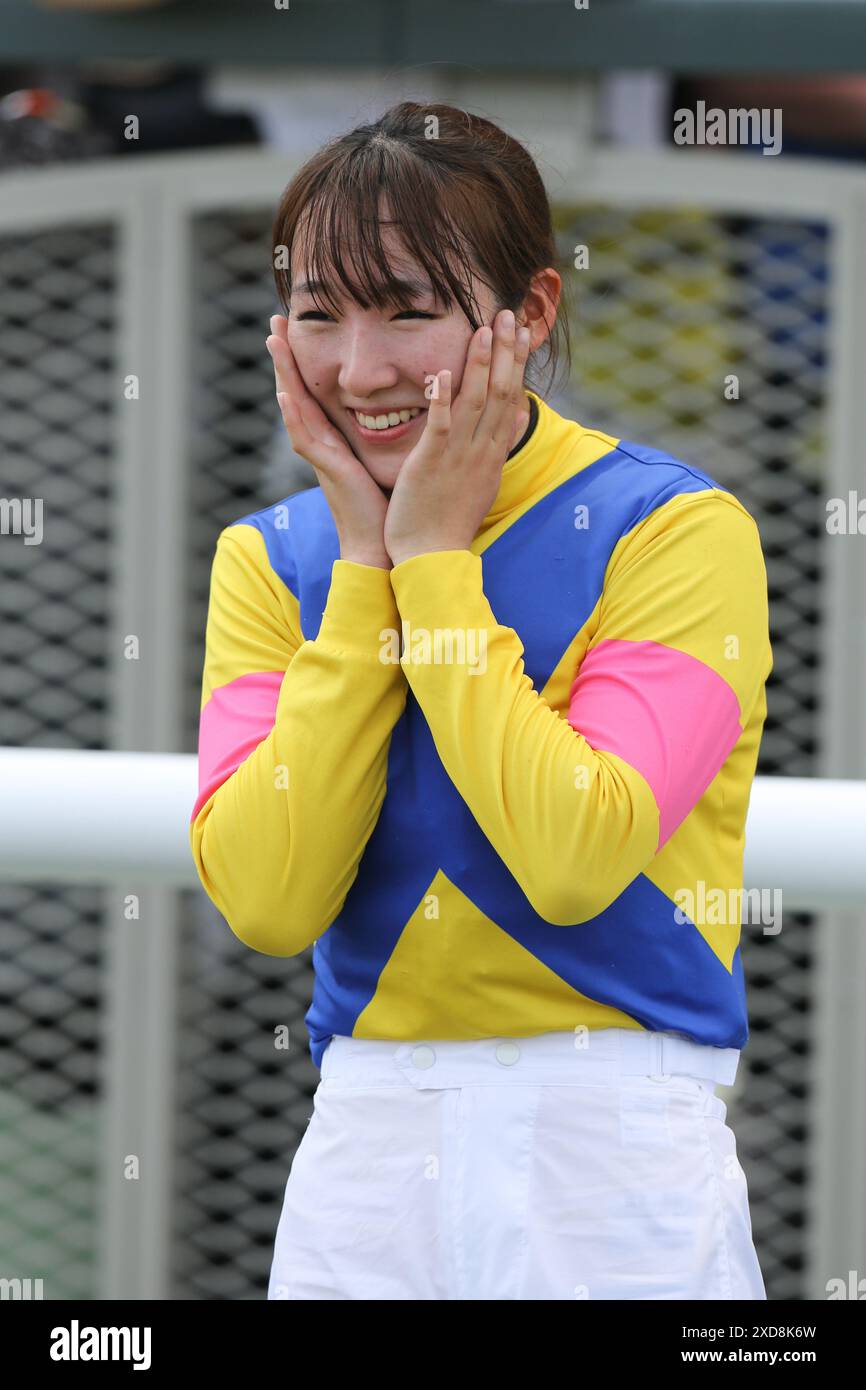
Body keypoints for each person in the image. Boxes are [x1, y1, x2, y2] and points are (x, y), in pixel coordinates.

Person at [189, 101, 772, 1301]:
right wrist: (365, 570)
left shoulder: (677, 531)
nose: (359, 370)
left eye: (407, 309)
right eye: (317, 315)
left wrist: (435, 563)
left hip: (615, 1153)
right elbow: (267, 899)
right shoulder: (269, 558)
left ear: (532, 313)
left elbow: (573, 858)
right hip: (361, 1141)